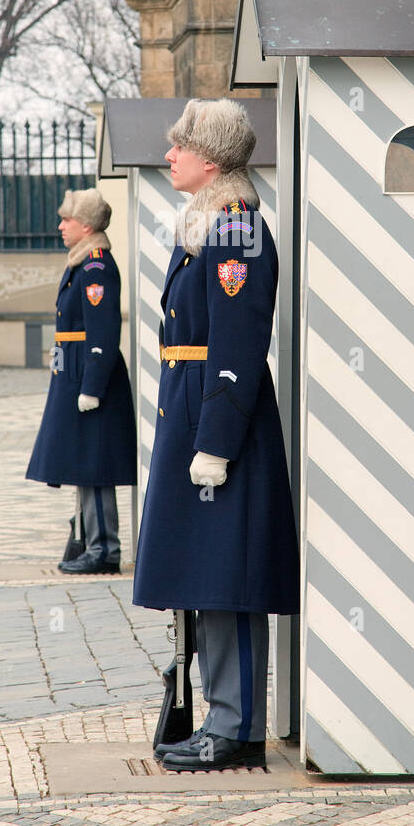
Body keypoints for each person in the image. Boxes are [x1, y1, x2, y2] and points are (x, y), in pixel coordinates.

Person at [132, 99, 299, 771]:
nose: (169, 156)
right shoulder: (208, 225)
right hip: (191, 412)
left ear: (212, 159)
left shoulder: (234, 231)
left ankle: (236, 728)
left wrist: (217, 441)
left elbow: (236, 342)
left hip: (217, 422)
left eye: (180, 147)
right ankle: (218, 717)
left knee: (229, 581)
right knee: (205, 577)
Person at [26, 187, 137, 575]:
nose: (60, 226)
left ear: (86, 225)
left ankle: (104, 548)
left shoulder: (95, 267)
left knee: (95, 465)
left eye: (67, 220)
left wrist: (92, 385)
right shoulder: (81, 262)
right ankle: (85, 539)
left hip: (88, 376)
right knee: (81, 463)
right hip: (72, 373)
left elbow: (103, 332)